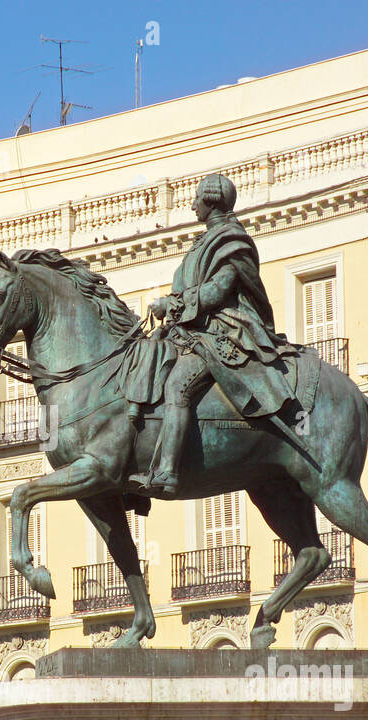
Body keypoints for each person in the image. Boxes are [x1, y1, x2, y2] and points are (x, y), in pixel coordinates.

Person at [129, 173, 300, 496]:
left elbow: (218, 290)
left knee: (178, 386)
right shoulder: (206, 241)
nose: (192, 205)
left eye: (196, 199)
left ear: (210, 201)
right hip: (192, 328)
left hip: (224, 329)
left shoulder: (231, 241)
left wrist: (175, 303)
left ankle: (167, 471)